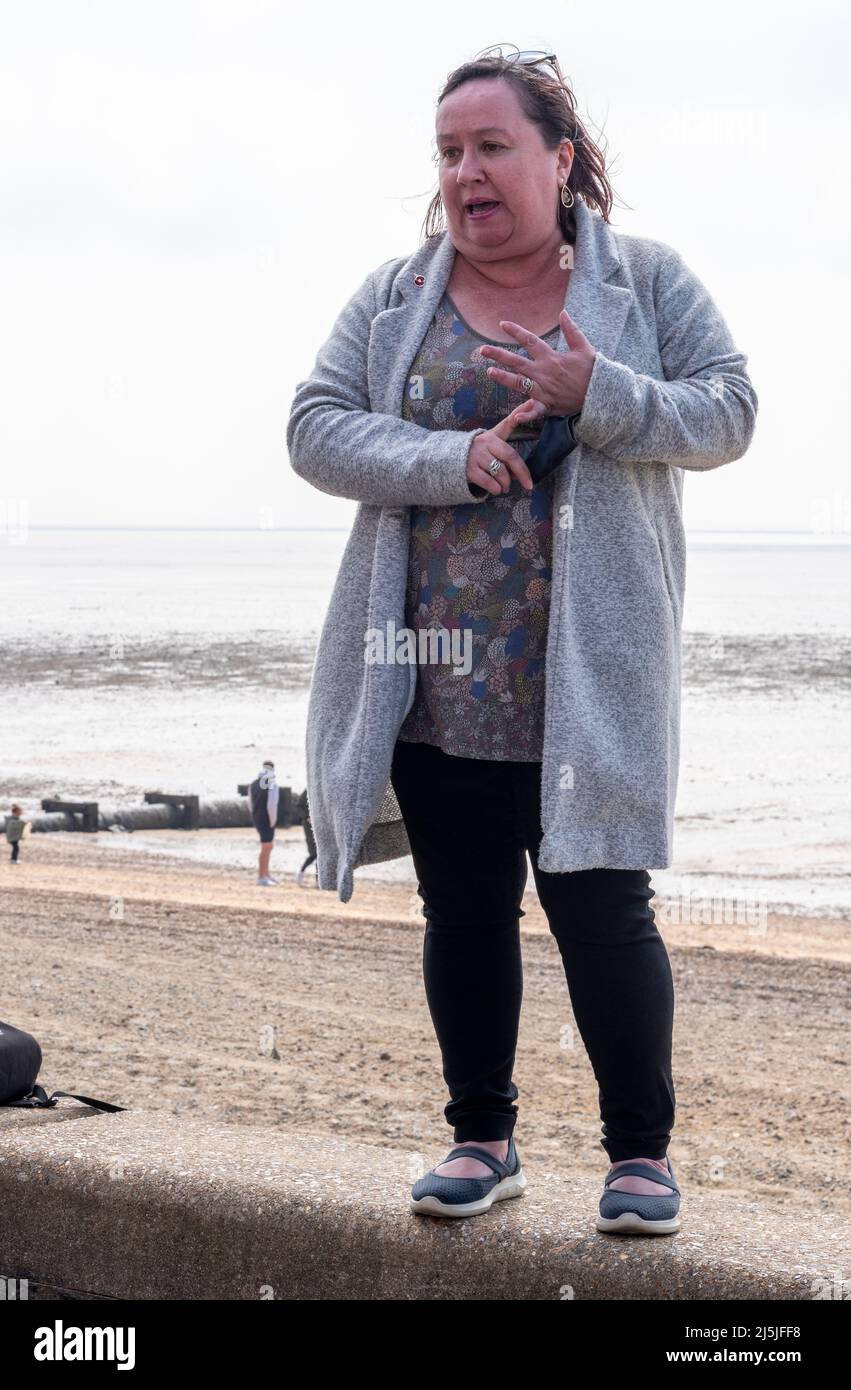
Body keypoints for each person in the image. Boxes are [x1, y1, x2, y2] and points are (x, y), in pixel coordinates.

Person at [286, 45, 757, 1234]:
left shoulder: (643, 284)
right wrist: (451, 458)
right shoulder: (398, 296)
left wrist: (602, 391)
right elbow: (313, 427)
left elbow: (730, 410)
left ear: (560, 157)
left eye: (491, 145)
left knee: (605, 910)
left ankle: (640, 1157)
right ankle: (481, 1137)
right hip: (432, 671)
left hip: (586, 671)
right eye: (448, 152)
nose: (466, 172)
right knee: (464, 908)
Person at [247, 761, 279, 886]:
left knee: (267, 846)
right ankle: (262, 876)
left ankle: (266, 874)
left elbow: (249, 803)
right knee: (267, 847)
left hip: (257, 817)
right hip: (266, 818)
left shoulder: (253, 783)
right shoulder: (271, 783)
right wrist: (273, 820)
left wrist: (254, 815)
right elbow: (272, 805)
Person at [294, 788, 318, 887]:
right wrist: (307, 817)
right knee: (314, 853)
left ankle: (318, 880)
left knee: (321, 854)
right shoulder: (308, 788)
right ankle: (300, 873)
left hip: (321, 825)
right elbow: (298, 806)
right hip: (308, 825)